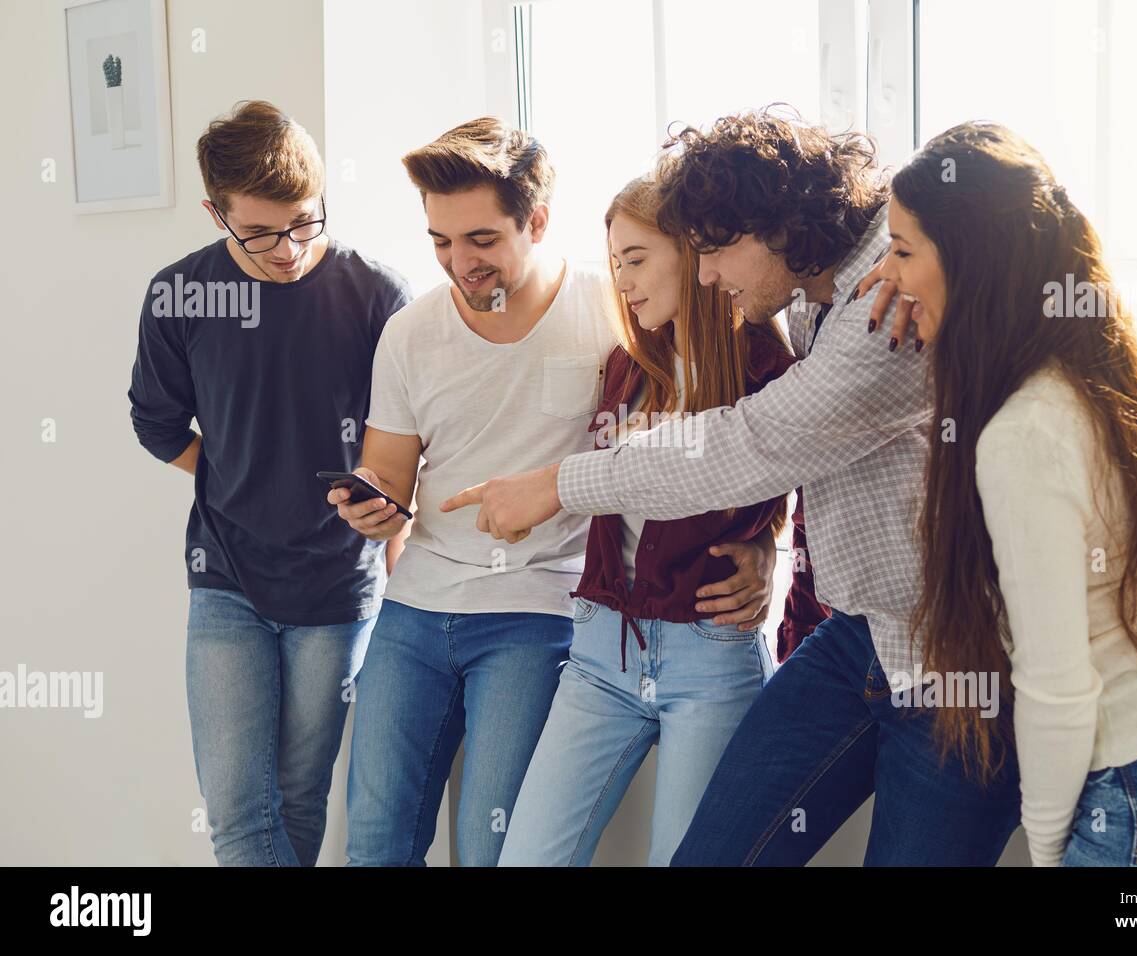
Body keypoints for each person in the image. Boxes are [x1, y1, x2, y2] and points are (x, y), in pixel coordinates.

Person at [443, 109, 1024, 866]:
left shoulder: (890, 310)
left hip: (954, 659)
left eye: (714, 251)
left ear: (781, 226)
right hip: (857, 640)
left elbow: (751, 443)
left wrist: (557, 484)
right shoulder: (837, 290)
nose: (706, 274)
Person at [334, 119, 779, 867]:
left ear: (536, 221)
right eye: (440, 241)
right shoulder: (414, 333)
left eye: (480, 240)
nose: (457, 263)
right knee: (375, 841)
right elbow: (389, 476)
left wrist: (767, 543)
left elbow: (731, 450)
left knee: (489, 846)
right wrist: (371, 501)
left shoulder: (615, 315)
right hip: (439, 609)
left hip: (545, 610)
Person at [864, 120, 1137, 866]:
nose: (886, 271)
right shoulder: (1087, 377)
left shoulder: (1023, 438)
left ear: (973, 263)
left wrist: (1047, 846)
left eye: (904, 249)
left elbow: (1057, 685)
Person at [498, 173, 824, 866]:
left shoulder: (769, 369)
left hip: (709, 656)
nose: (622, 281)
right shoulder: (625, 366)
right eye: (614, 263)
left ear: (692, 255)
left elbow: (803, 490)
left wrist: (769, 549)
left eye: (637, 259)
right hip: (599, 654)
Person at [127, 100, 411, 866]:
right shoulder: (179, 295)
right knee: (237, 816)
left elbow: (417, 442)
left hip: (336, 589)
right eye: (258, 232)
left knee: (296, 803)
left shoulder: (380, 296)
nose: (287, 250)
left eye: (305, 222)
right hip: (226, 581)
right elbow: (156, 424)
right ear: (214, 213)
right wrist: (233, 473)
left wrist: (392, 512)